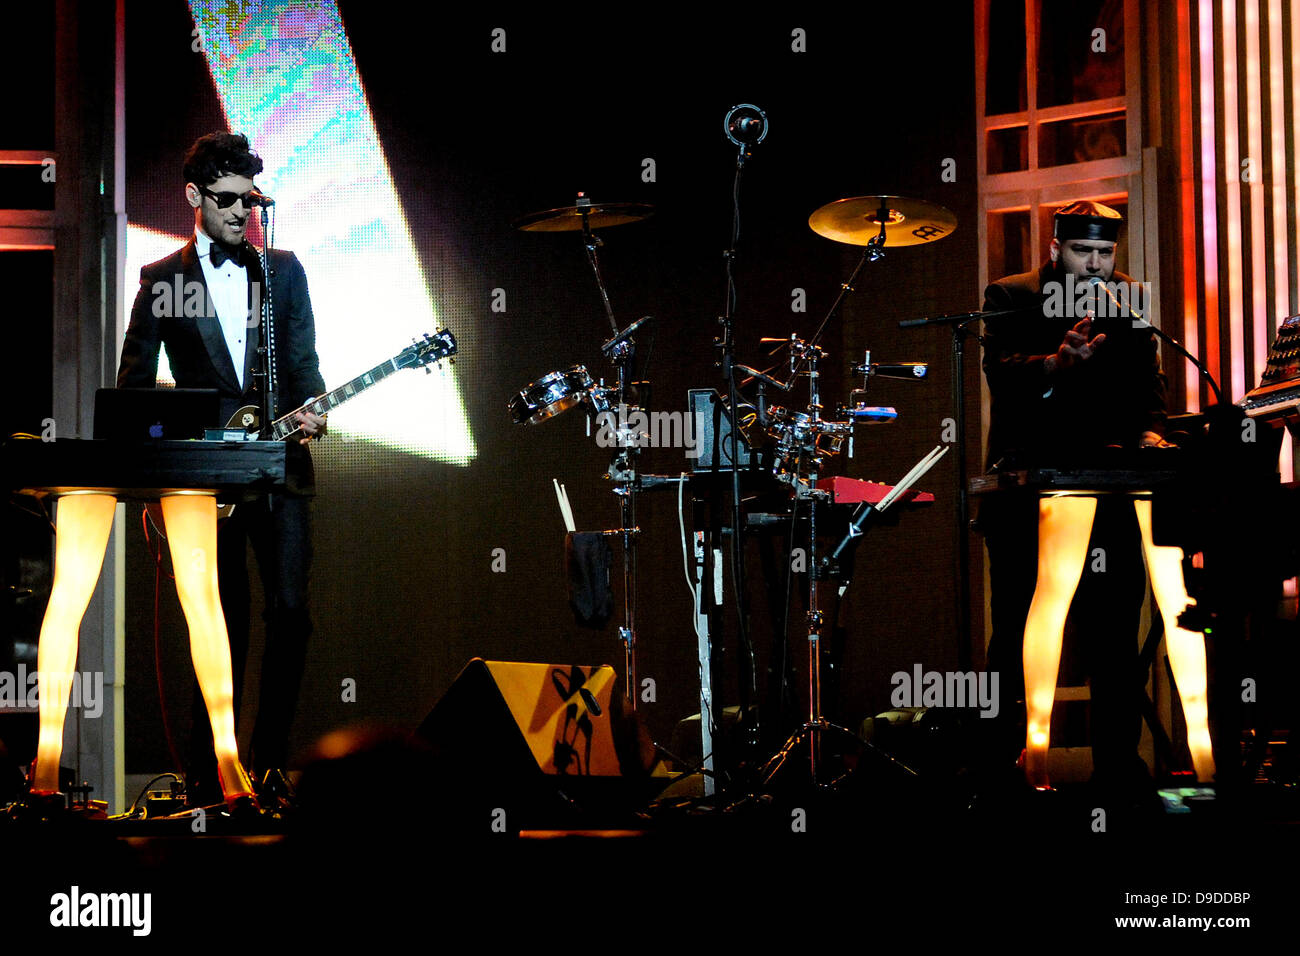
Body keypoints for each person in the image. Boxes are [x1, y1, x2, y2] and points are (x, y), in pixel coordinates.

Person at [118, 131, 326, 805]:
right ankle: (219, 769)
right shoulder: (161, 281)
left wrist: (313, 408)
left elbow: (303, 365)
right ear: (193, 196)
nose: (242, 214)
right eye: (228, 200)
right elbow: (133, 393)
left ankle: (270, 761)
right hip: (206, 477)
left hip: (282, 467)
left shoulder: (283, 270)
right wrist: (168, 461)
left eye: (251, 201)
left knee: (290, 612)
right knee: (223, 617)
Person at [978, 200, 1214, 795]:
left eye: (1104, 254)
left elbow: (1148, 381)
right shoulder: (1011, 294)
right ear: (1055, 249)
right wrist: (1057, 363)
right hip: (1028, 487)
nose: (1096, 264)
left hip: (1108, 484)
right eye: (1083, 252)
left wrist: (1150, 431)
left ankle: (1119, 769)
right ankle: (1006, 767)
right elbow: (1002, 376)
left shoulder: (1128, 295)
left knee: (1114, 629)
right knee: (1017, 627)